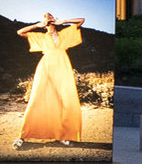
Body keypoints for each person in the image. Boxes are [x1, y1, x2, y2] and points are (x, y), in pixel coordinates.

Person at [16, 12, 88, 144]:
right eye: (46, 18)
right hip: (46, 68)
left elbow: (81, 20)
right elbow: (20, 32)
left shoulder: (64, 35)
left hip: (63, 67)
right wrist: (36, 25)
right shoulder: (41, 37)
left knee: (65, 99)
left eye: (50, 17)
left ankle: (62, 135)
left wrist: (64, 20)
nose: (48, 19)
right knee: (39, 98)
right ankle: (25, 133)